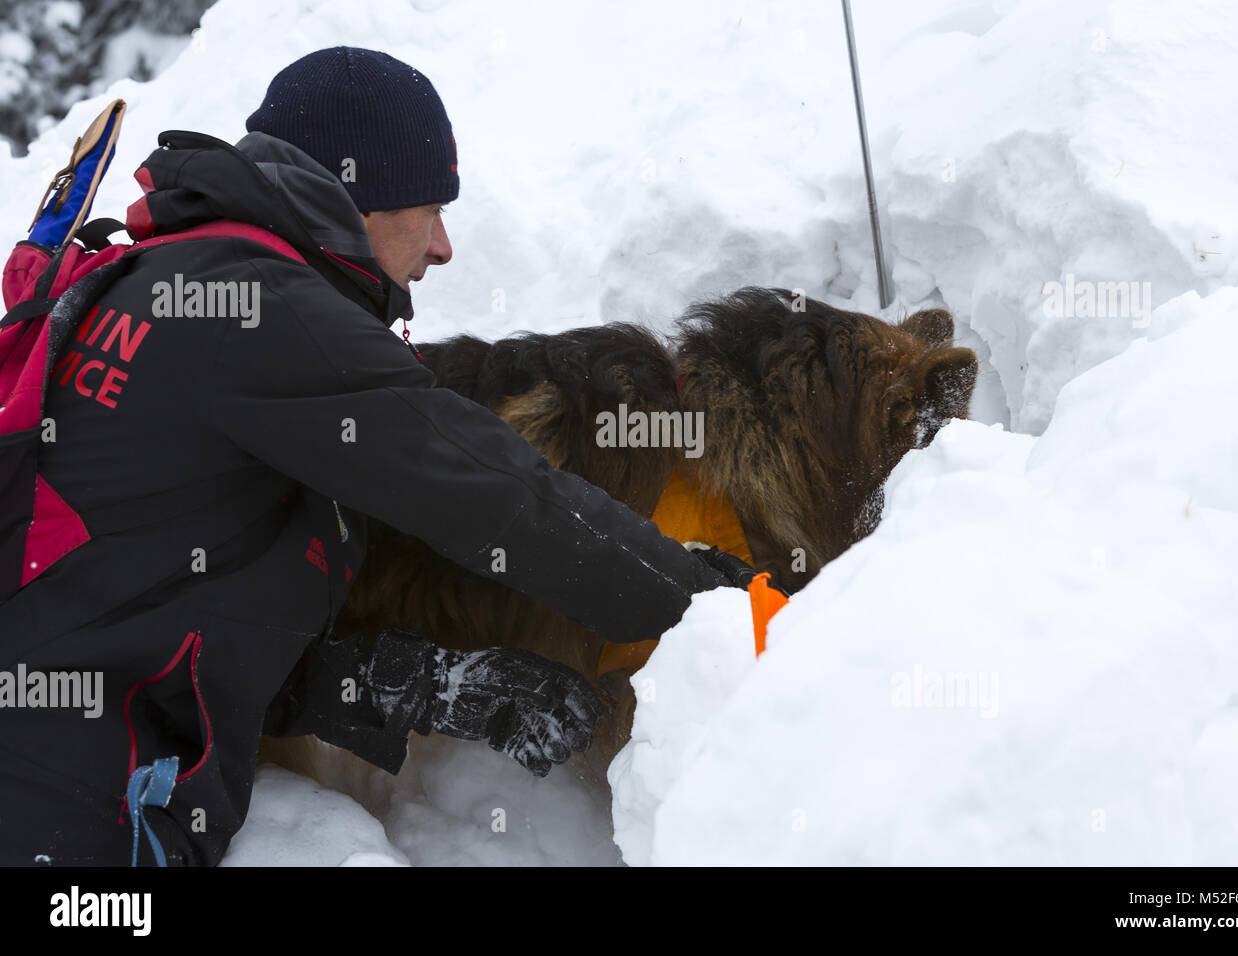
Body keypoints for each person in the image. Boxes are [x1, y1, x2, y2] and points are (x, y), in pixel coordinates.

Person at [0, 46, 763, 866]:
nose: (443, 246)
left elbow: (166, 608)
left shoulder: (166, 275)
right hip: (65, 818)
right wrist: (714, 608)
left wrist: (416, 681)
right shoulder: (259, 305)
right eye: (430, 208)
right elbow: (495, 489)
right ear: (353, 197)